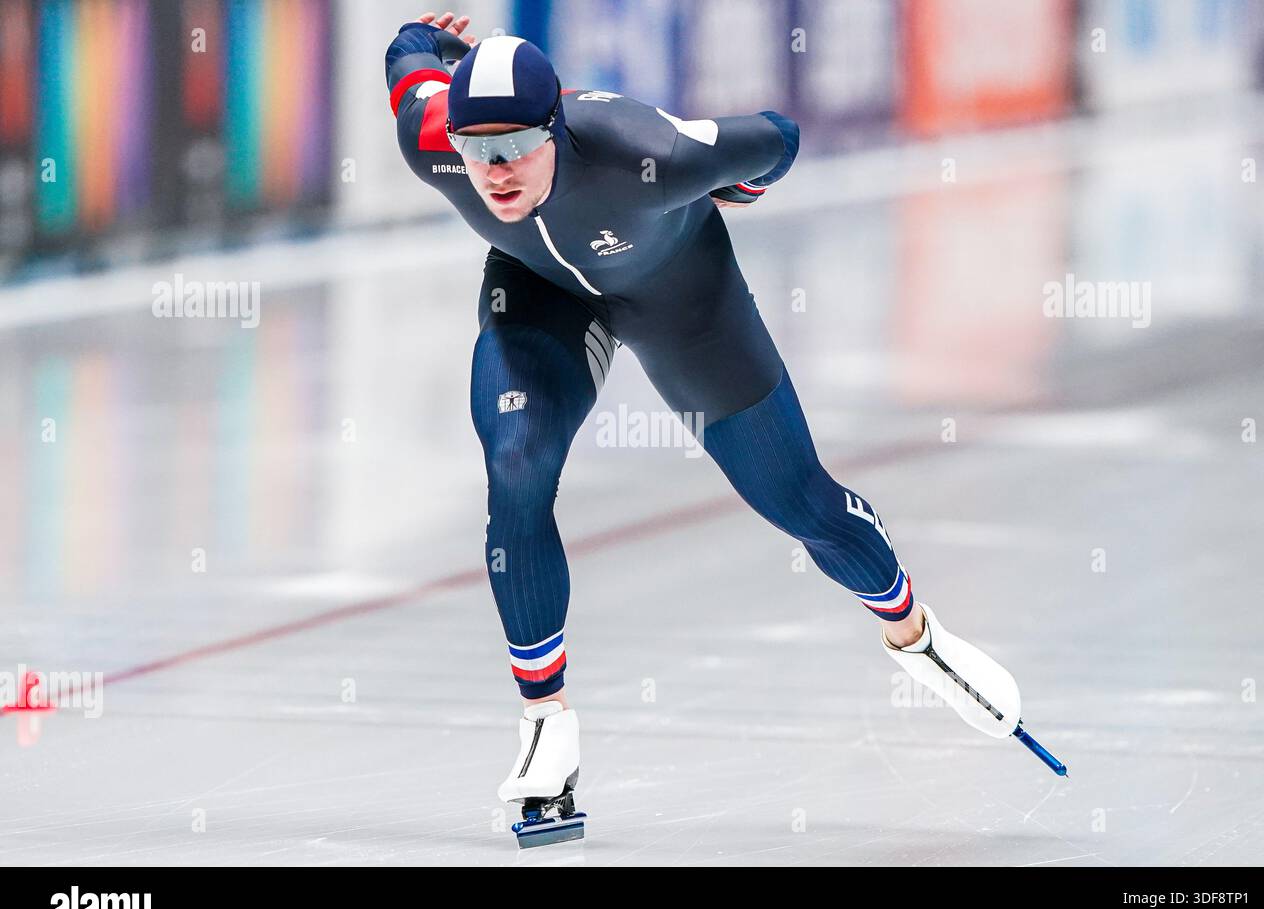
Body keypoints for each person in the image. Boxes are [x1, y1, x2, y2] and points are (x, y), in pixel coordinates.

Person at [386, 12, 1025, 846]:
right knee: (515, 468)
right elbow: (406, 56)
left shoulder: (643, 151)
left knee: (801, 503)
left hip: (682, 296)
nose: (494, 174)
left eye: (514, 149)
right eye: (478, 152)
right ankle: (547, 723)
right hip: (539, 289)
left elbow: (778, 138)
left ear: (557, 130)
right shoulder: (429, 136)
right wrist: (428, 37)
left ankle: (916, 634)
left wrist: (732, 192)